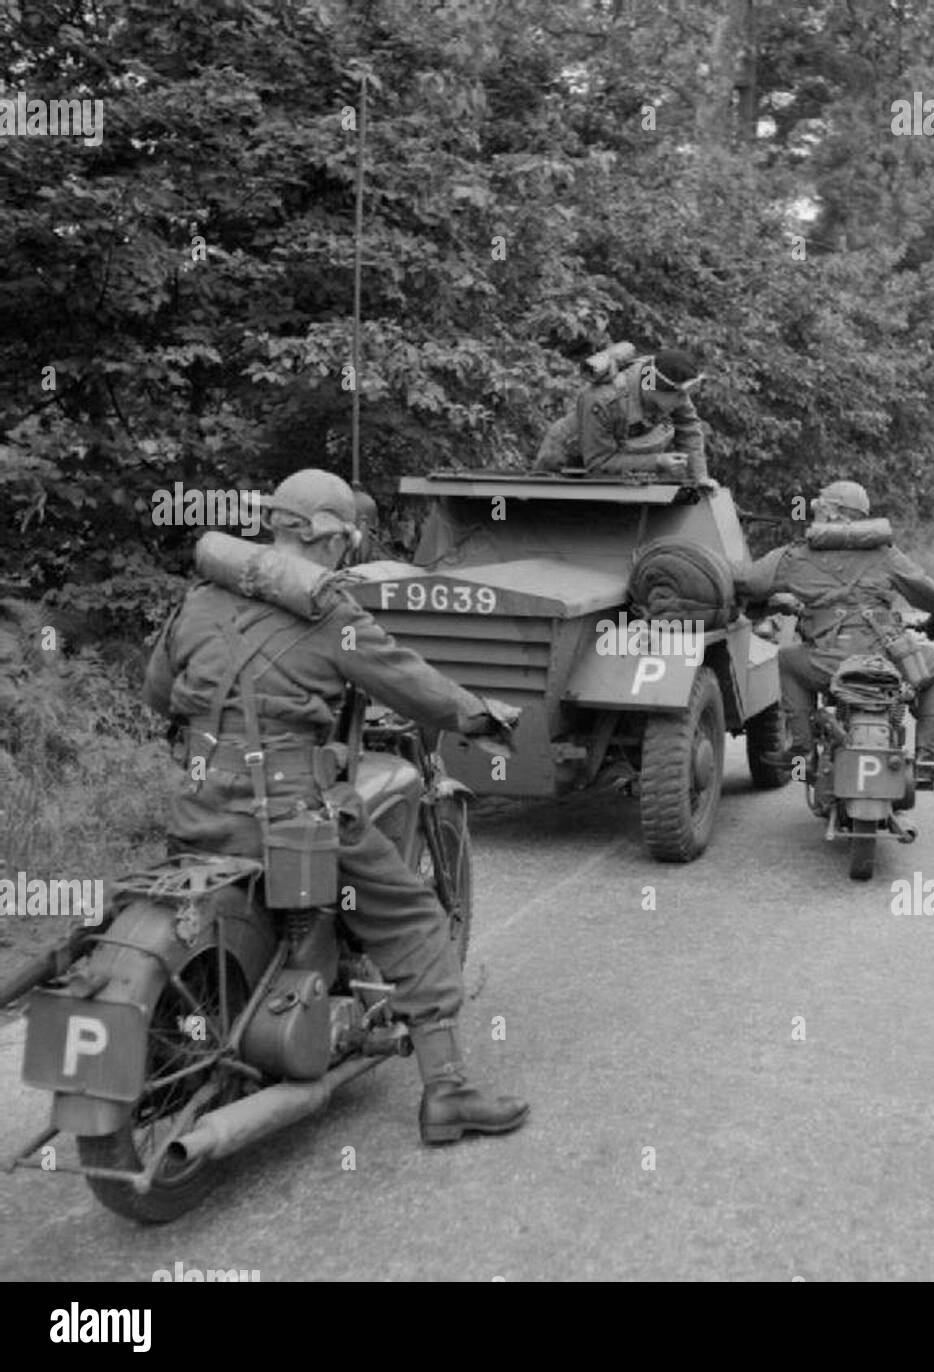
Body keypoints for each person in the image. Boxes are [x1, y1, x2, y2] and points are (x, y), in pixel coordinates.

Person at [144, 468, 528, 1146]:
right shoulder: (330, 618)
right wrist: (478, 715)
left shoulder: (201, 599)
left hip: (199, 807)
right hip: (289, 816)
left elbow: (158, 692)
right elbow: (412, 683)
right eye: (347, 539)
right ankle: (448, 1094)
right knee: (413, 916)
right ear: (330, 538)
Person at [733, 480, 934, 780]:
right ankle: (926, 757)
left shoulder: (796, 555)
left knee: (787, 660)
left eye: (817, 508)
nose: (812, 513)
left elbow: (750, 583)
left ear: (832, 513)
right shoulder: (885, 554)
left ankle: (801, 751)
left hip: (827, 666)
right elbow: (930, 595)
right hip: (886, 661)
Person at [534, 347, 715, 485]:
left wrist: (700, 477)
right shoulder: (603, 400)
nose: (684, 401)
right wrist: (657, 461)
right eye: (680, 395)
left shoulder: (669, 390)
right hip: (569, 454)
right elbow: (598, 463)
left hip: (617, 450)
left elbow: (689, 429)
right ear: (654, 388)